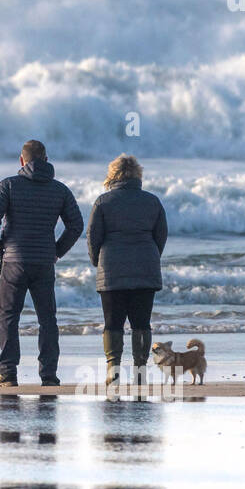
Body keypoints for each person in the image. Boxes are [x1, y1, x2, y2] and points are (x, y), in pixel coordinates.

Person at [0, 139, 83, 387]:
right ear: (46, 160)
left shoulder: (8, 186)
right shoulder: (60, 190)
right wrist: (57, 251)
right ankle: (48, 375)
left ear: (21, 160)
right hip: (43, 262)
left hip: (14, 261)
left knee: (8, 317)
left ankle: (8, 374)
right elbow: (76, 225)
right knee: (47, 319)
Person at [86, 154, 167, 386]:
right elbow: (160, 236)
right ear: (137, 175)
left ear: (113, 175)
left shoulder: (103, 202)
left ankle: (113, 368)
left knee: (113, 322)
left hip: (112, 269)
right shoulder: (152, 201)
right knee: (142, 323)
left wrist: (97, 262)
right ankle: (140, 370)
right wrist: (150, 258)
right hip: (145, 269)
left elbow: (93, 237)